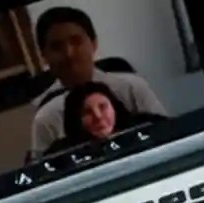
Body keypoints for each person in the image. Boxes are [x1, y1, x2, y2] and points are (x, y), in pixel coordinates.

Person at [29, 6, 168, 158]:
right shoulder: (45, 118)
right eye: (57, 47)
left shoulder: (132, 88)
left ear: (93, 44)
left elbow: (168, 136)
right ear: (43, 56)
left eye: (76, 41)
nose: (69, 54)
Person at [43, 82, 165, 156]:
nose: (98, 116)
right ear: (76, 120)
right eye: (87, 112)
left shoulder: (147, 124)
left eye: (103, 107)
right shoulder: (62, 152)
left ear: (114, 107)